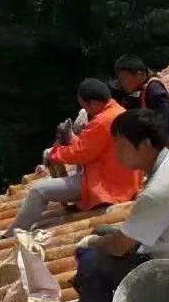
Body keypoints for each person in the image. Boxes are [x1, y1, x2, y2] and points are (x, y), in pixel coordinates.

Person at [73, 108, 169, 302]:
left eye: (121, 146)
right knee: (102, 231)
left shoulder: (158, 190)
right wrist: (99, 239)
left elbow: (118, 248)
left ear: (144, 145)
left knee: (91, 260)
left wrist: (90, 244)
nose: (116, 153)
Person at [10, 79, 142, 232]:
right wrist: (72, 138)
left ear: (91, 103)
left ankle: (14, 233)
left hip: (108, 183)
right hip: (124, 180)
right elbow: (93, 145)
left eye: (84, 106)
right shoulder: (118, 110)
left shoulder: (102, 121)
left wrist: (53, 154)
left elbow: (81, 154)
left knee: (38, 190)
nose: (85, 109)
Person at [112, 55, 169, 144]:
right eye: (120, 80)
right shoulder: (133, 94)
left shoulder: (154, 90)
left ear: (139, 74)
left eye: (124, 79)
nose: (122, 83)